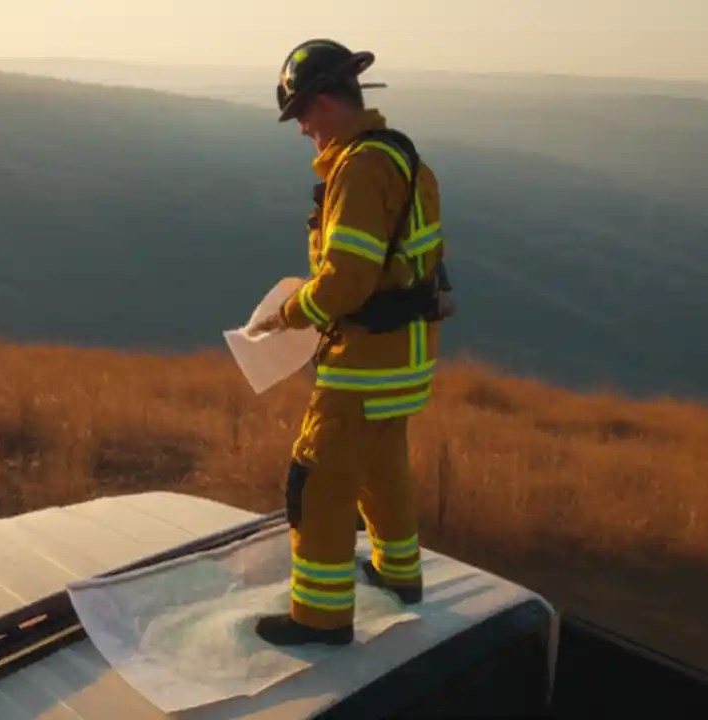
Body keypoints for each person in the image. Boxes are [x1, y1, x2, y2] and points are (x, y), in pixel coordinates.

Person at [248, 38, 449, 646]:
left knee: (319, 482)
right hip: (404, 363)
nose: (303, 127)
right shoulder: (404, 158)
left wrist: (287, 315)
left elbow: (348, 280)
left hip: (363, 363)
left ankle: (321, 616)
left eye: (304, 112)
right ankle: (399, 574)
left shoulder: (359, 167)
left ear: (329, 101)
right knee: (382, 470)